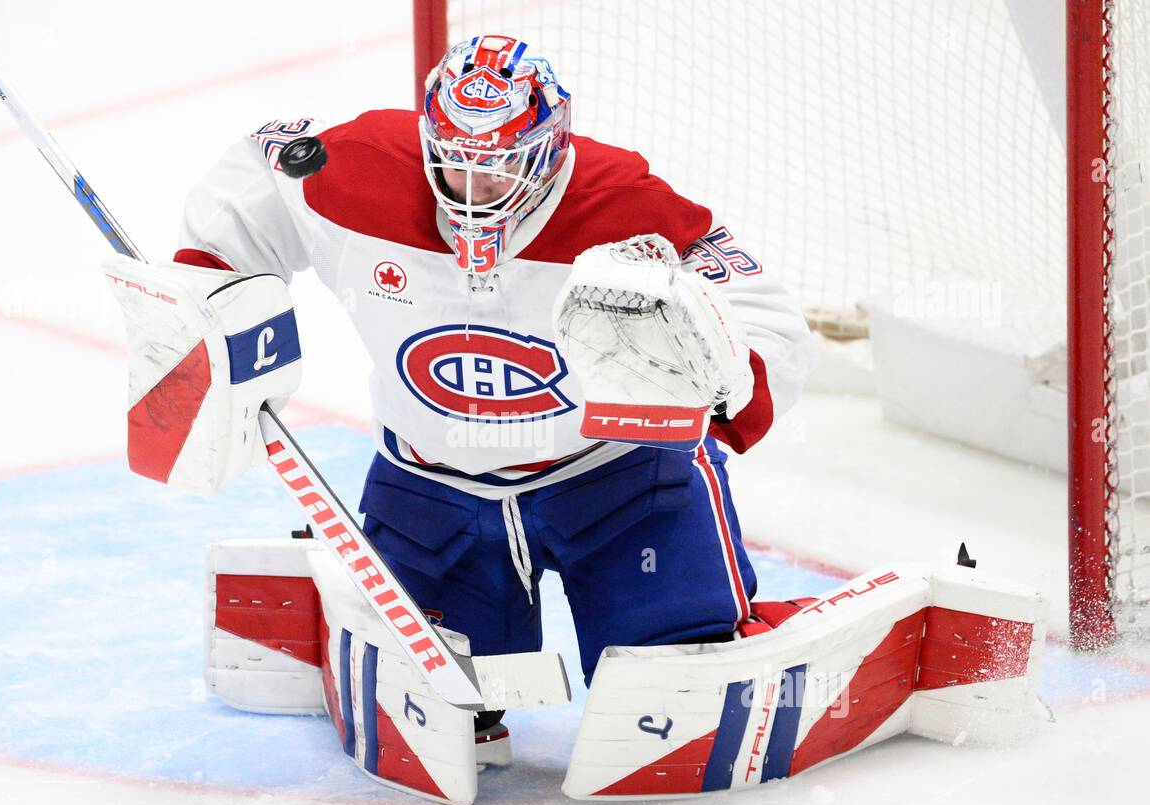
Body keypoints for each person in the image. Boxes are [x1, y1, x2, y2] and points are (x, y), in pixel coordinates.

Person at [174, 34, 815, 729]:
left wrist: (725, 384)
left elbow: (762, 310)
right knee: (446, 705)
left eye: (500, 168)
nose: (474, 192)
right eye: (455, 166)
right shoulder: (358, 170)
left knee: (674, 692)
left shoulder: (625, 208)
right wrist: (205, 289)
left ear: (546, 150)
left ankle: (734, 637)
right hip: (433, 496)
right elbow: (259, 171)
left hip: (617, 488)